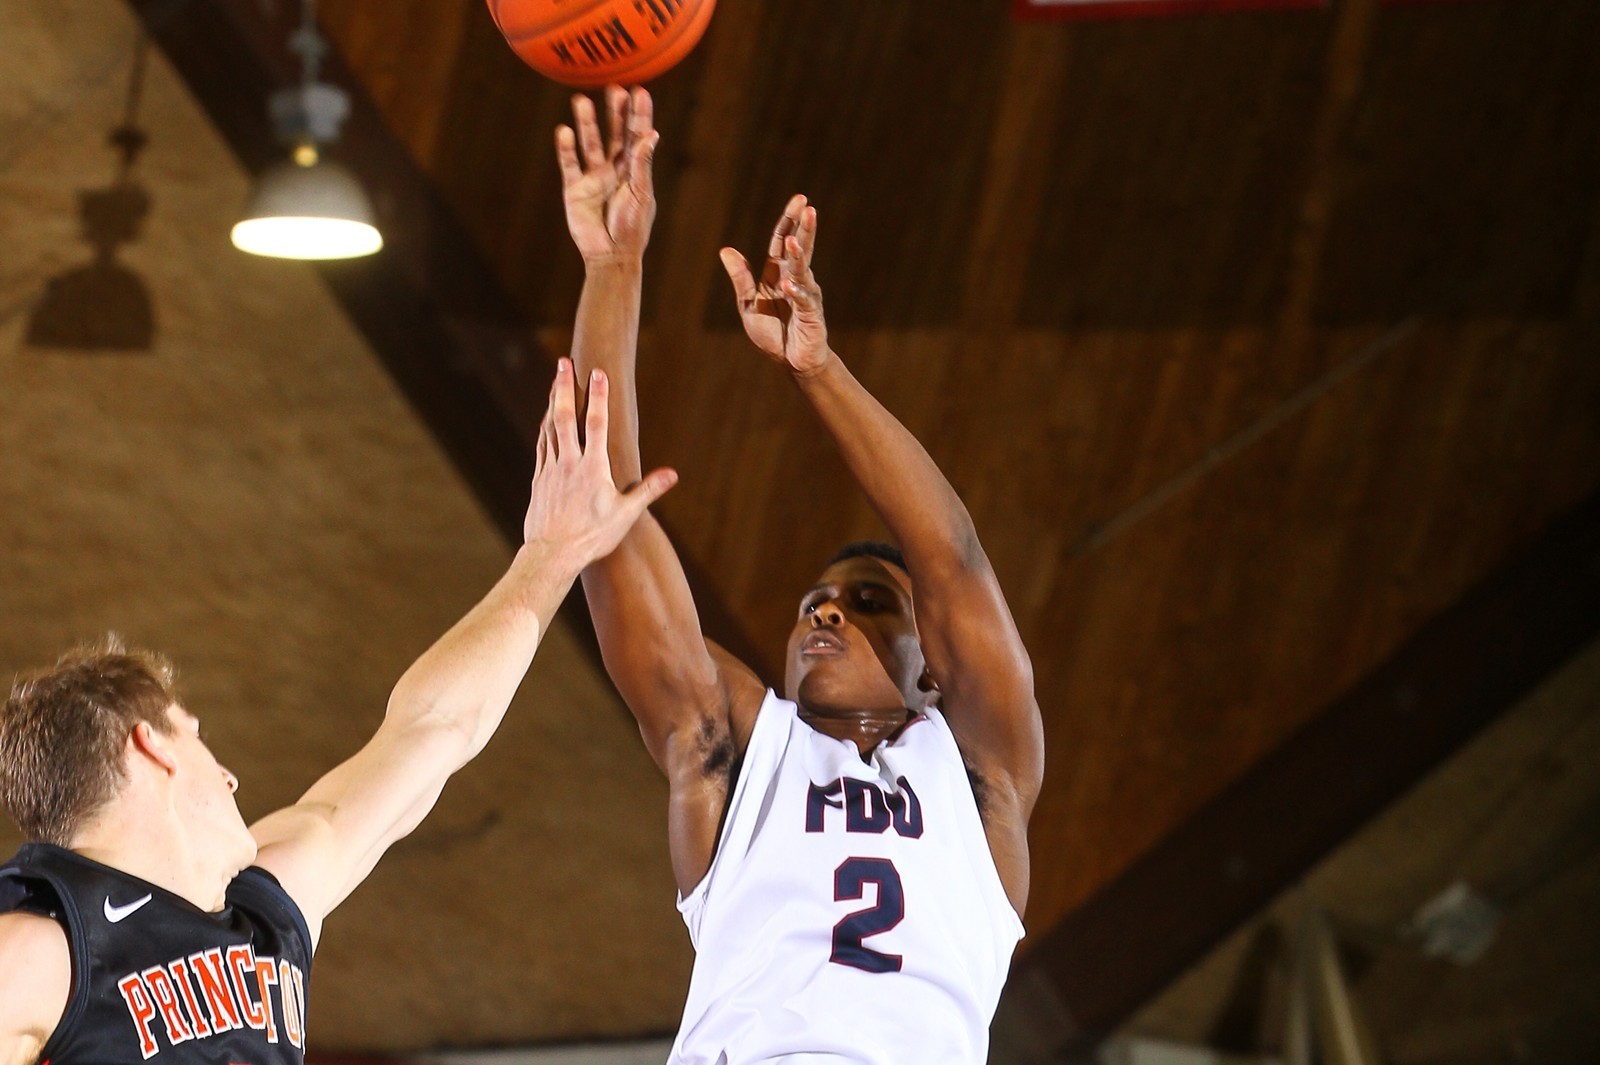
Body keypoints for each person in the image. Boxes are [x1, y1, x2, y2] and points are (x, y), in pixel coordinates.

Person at [556, 87, 1045, 1064]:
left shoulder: (978, 776)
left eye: (869, 602)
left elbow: (951, 556)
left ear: (934, 668)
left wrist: (818, 369)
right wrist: (614, 268)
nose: (824, 609)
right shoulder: (742, 750)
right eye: (815, 600)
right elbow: (604, 522)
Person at [0, 364, 675, 1065]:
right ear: (152, 746)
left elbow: (432, 728)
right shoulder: (40, 950)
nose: (230, 775)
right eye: (199, 738)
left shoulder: (266, 902)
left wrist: (552, 556)